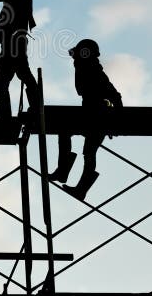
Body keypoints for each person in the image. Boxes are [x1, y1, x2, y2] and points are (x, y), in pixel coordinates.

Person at [49, 38, 122, 201]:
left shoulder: (94, 72)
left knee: (88, 151)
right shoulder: (86, 68)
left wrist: (116, 123)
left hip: (98, 116)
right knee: (74, 140)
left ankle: (72, 181)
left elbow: (115, 96)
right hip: (90, 114)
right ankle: (64, 173)